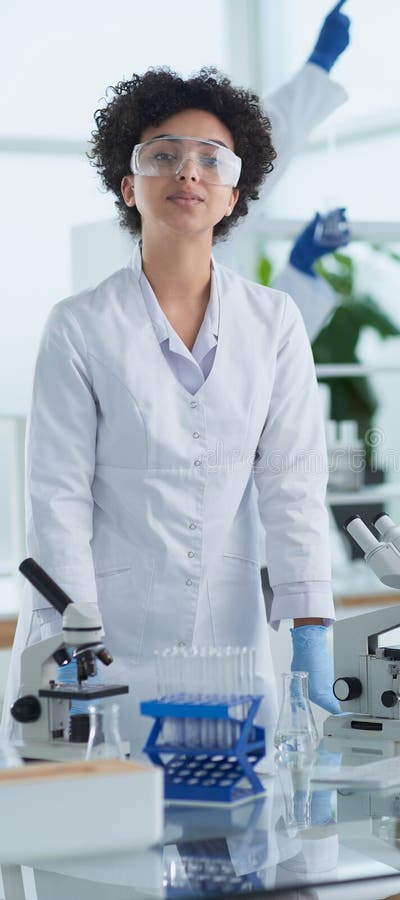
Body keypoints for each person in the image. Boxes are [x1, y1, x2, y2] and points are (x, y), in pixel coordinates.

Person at [3, 65, 341, 756]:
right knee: (102, 845)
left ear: (232, 195)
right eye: (163, 155)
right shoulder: (79, 325)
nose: (187, 171)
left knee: (238, 839)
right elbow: (57, 495)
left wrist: (311, 628)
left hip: (231, 651)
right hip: (102, 648)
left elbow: (292, 483)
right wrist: (70, 632)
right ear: (129, 185)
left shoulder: (274, 322)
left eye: (209, 160)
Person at [221, 0, 351, 339]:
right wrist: (319, 65)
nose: (190, 175)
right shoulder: (99, 312)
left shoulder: (218, 257)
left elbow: (269, 349)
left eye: (211, 158)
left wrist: (299, 269)